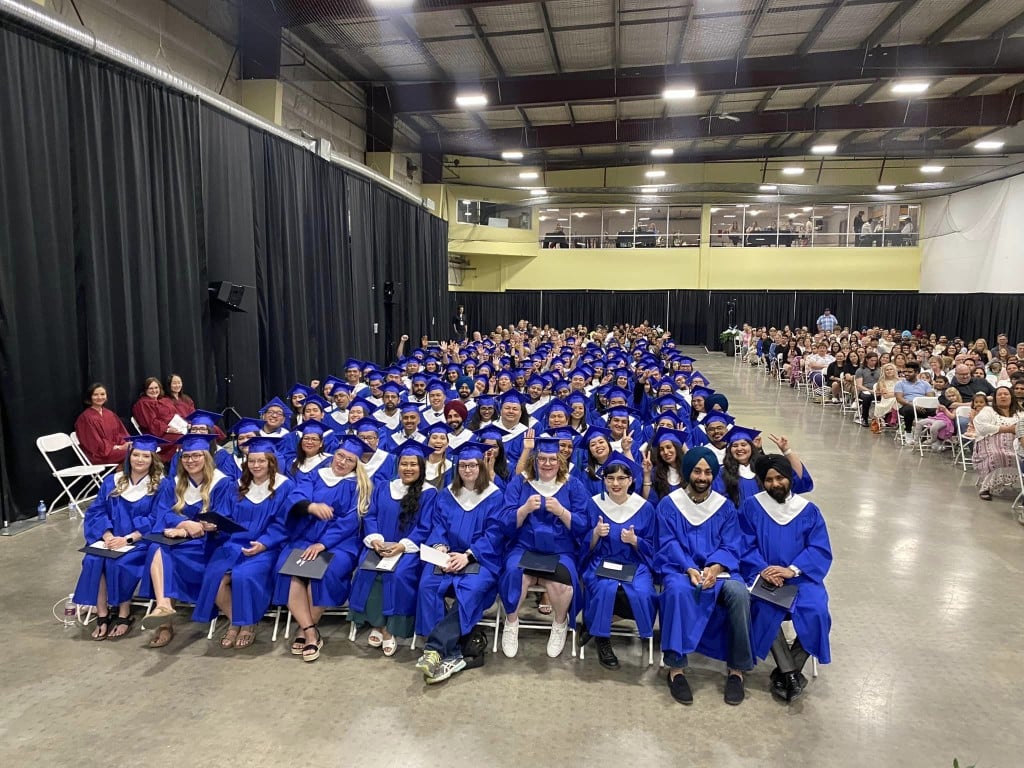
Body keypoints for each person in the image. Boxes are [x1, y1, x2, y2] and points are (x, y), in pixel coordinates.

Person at [656, 447, 753, 705]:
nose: (702, 477)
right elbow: (667, 544)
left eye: (708, 472)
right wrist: (689, 568)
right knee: (676, 591)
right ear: (688, 472)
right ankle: (675, 669)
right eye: (697, 471)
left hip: (719, 573)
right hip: (680, 569)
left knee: (739, 593)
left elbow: (732, 544)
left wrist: (716, 568)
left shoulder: (724, 507)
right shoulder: (670, 505)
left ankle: (736, 670)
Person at [192, 436, 301, 650]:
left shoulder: (285, 486)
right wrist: (215, 525)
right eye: (252, 461)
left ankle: (247, 625)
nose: (256, 465)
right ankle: (238, 620)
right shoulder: (239, 485)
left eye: (261, 461)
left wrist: (264, 543)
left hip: (267, 547)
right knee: (215, 578)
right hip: (233, 543)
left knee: (243, 575)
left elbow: (284, 523)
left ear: (271, 461)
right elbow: (224, 514)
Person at [739, 455, 832, 704]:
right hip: (766, 576)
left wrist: (793, 569)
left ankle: (785, 670)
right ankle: (790, 674)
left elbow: (819, 548)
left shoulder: (808, 511)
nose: (775, 484)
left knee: (817, 612)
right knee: (765, 608)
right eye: (768, 480)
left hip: (801, 577)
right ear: (762, 482)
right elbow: (744, 544)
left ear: (789, 478)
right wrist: (763, 568)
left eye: (779, 477)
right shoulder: (751, 506)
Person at [273, 437, 372, 662]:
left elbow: (349, 522)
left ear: (356, 464)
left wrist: (323, 544)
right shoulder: (314, 475)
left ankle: (305, 631)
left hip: (340, 544)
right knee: (289, 571)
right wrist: (311, 506)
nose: (342, 462)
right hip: (304, 538)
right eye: (340, 456)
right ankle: (310, 630)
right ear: (333, 455)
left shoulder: (358, 486)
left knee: (323, 572)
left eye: (349, 459)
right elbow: (296, 496)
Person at [415, 443, 505, 684]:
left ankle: (434, 649)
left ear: (481, 467)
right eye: (463, 465)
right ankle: (452, 653)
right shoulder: (447, 494)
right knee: (427, 585)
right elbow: (438, 526)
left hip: (479, 559)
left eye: (472, 465)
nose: (467, 470)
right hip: (447, 557)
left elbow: (495, 533)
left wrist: (468, 555)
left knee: (471, 590)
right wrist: (440, 547)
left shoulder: (495, 496)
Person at [499, 437, 590, 658]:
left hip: (560, 551)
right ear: (534, 460)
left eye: (552, 459)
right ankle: (511, 622)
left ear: (560, 461)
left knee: (562, 582)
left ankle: (559, 625)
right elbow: (505, 521)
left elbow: (583, 524)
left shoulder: (572, 484)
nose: (547, 464)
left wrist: (562, 512)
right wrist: (523, 510)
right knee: (513, 573)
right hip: (524, 547)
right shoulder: (520, 483)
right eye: (542, 459)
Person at [140, 433, 232, 648]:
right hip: (182, 542)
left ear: (206, 457)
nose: (191, 460)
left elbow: (223, 516)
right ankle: (164, 609)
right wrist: (184, 525)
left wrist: (194, 528)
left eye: (196, 455)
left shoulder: (222, 483)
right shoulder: (172, 483)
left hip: (210, 543)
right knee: (157, 547)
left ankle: (165, 616)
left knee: (162, 553)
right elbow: (163, 513)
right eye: (186, 456)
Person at [73, 435, 167, 640]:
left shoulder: (159, 485)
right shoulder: (113, 481)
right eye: (136, 455)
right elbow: (96, 511)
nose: (140, 460)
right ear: (129, 456)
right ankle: (102, 615)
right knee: (93, 560)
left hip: (140, 542)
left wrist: (128, 539)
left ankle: (124, 614)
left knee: (120, 562)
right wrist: (107, 535)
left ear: (153, 460)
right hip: (109, 539)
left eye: (145, 456)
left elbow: (158, 518)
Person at [349, 442, 437, 656]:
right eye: (404, 464)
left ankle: (391, 629)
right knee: (366, 569)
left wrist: (401, 546)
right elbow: (370, 516)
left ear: (421, 467)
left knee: (399, 574)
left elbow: (426, 527)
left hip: (409, 550)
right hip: (380, 545)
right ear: (398, 466)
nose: (408, 468)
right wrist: (376, 540)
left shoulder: (429, 492)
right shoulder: (383, 487)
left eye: (413, 465)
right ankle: (376, 624)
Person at [577, 454, 657, 670]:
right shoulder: (594, 505)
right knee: (604, 588)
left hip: (635, 564)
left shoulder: (645, 508)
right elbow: (582, 543)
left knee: (644, 593)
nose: (615, 483)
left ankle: (594, 624)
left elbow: (653, 546)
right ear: (604, 480)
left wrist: (635, 541)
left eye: (622, 478)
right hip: (601, 562)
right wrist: (594, 534)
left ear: (631, 481)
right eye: (610, 478)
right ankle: (602, 638)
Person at [972, 385, 1023, 501]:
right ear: (995, 398)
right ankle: (986, 488)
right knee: (998, 455)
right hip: (989, 444)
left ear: (1011, 397)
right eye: (999, 394)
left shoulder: (1020, 413)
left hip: (1016, 445)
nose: (1003, 396)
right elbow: (981, 427)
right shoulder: (988, 411)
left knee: (1019, 456)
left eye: (1006, 394)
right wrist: (1007, 429)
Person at [74, 382, 131, 465]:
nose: (99, 397)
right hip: (100, 455)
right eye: (95, 395)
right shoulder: (85, 418)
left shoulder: (110, 414)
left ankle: (123, 472)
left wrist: (125, 443)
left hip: (115, 449)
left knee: (142, 448)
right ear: (90, 397)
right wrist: (118, 447)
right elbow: (94, 444)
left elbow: (120, 433)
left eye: (102, 394)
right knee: (135, 453)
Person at [132, 377, 186, 460]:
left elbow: (176, 415)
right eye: (151, 388)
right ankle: (168, 463)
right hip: (157, 435)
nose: (154, 391)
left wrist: (185, 424)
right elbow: (151, 422)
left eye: (156, 388)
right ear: (145, 390)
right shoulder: (143, 404)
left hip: (175, 429)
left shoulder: (165, 400)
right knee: (180, 438)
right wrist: (167, 429)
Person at [894, 361, 936, 437]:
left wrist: (922, 405)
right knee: (909, 409)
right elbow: (900, 399)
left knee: (938, 411)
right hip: (907, 406)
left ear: (917, 372)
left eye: (909, 372)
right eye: (905, 371)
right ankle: (908, 432)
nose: (906, 374)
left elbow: (931, 398)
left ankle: (935, 435)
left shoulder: (925, 384)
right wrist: (914, 405)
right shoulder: (900, 383)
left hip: (923, 407)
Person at [854, 351, 882, 427]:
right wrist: (870, 391)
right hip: (865, 390)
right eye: (872, 360)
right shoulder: (860, 370)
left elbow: (882, 382)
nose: (874, 362)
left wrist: (879, 390)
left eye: (875, 360)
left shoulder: (879, 370)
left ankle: (885, 418)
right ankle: (865, 418)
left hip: (877, 390)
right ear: (867, 360)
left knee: (888, 396)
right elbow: (859, 385)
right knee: (867, 397)